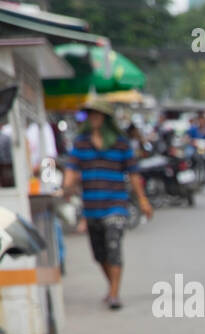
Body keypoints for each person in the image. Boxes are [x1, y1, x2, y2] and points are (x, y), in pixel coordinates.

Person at [62, 99, 153, 309]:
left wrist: (143, 200)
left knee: (114, 246)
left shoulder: (121, 143)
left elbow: (133, 174)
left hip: (115, 204)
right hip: (92, 206)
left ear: (105, 118)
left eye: (97, 114)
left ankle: (114, 294)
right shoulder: (81, 143)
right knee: (99, 253)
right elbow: (72, 169)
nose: (93, 118)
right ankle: (112, 285)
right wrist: (67, 186)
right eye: (90, 114)